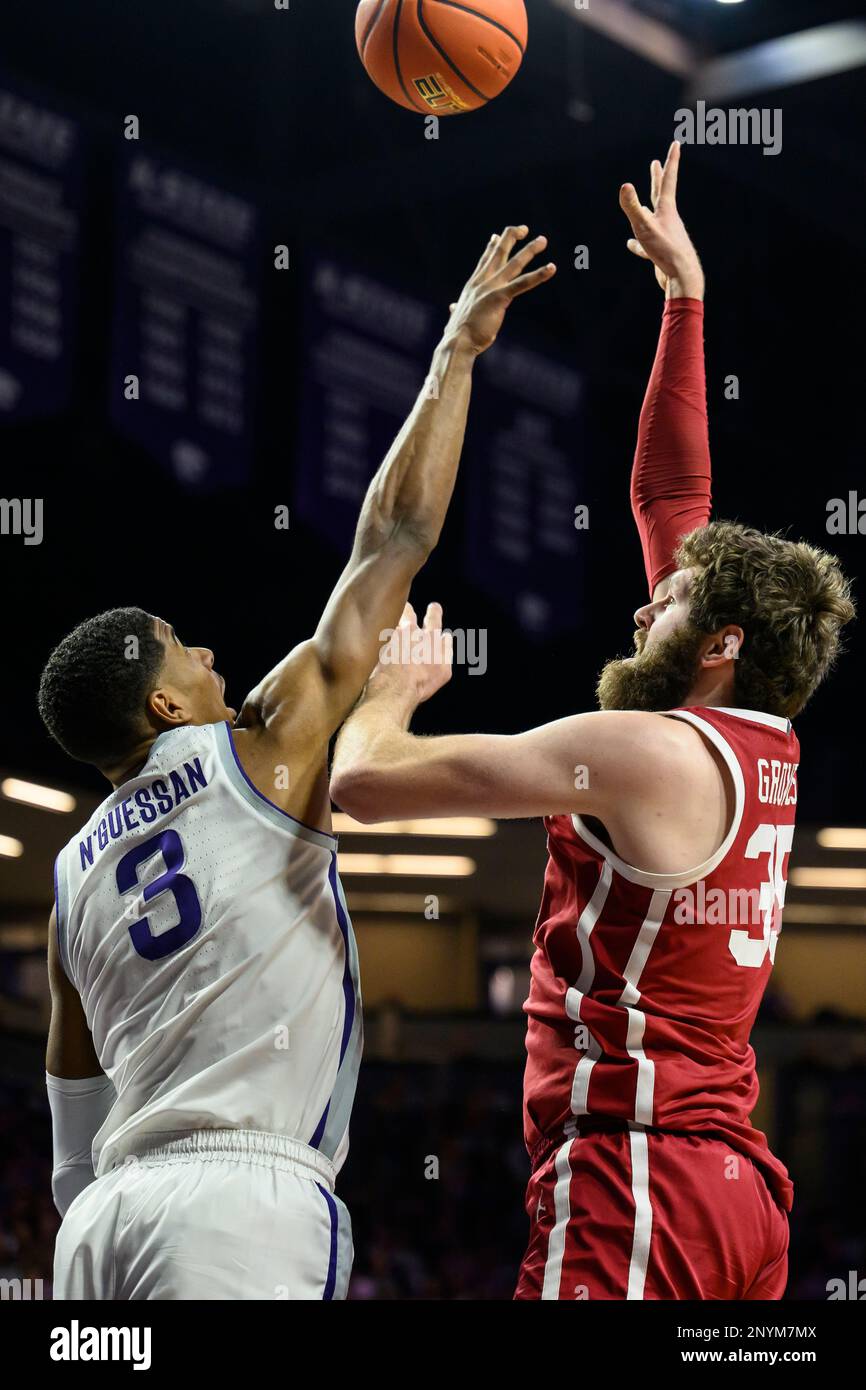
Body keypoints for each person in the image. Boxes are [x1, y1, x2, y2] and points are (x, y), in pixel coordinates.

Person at [330, 146, 855, 1300]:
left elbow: (358, 790)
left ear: (717, 643)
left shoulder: (642, 753)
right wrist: (683, 296)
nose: (641, 595)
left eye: (666, 598)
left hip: (638, 1185)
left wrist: (389, 698)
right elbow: (670, 501)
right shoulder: (762, 738)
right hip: (736, 1201)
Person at [38, 227, 556, 1300]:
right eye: (187, 644)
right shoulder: (258, 749)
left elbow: (71, 1145)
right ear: (164, 702)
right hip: (239, 1209)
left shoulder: (69, 882)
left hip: (98, 1229)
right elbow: (393, 538)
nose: (213, 649)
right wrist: (452, 356)